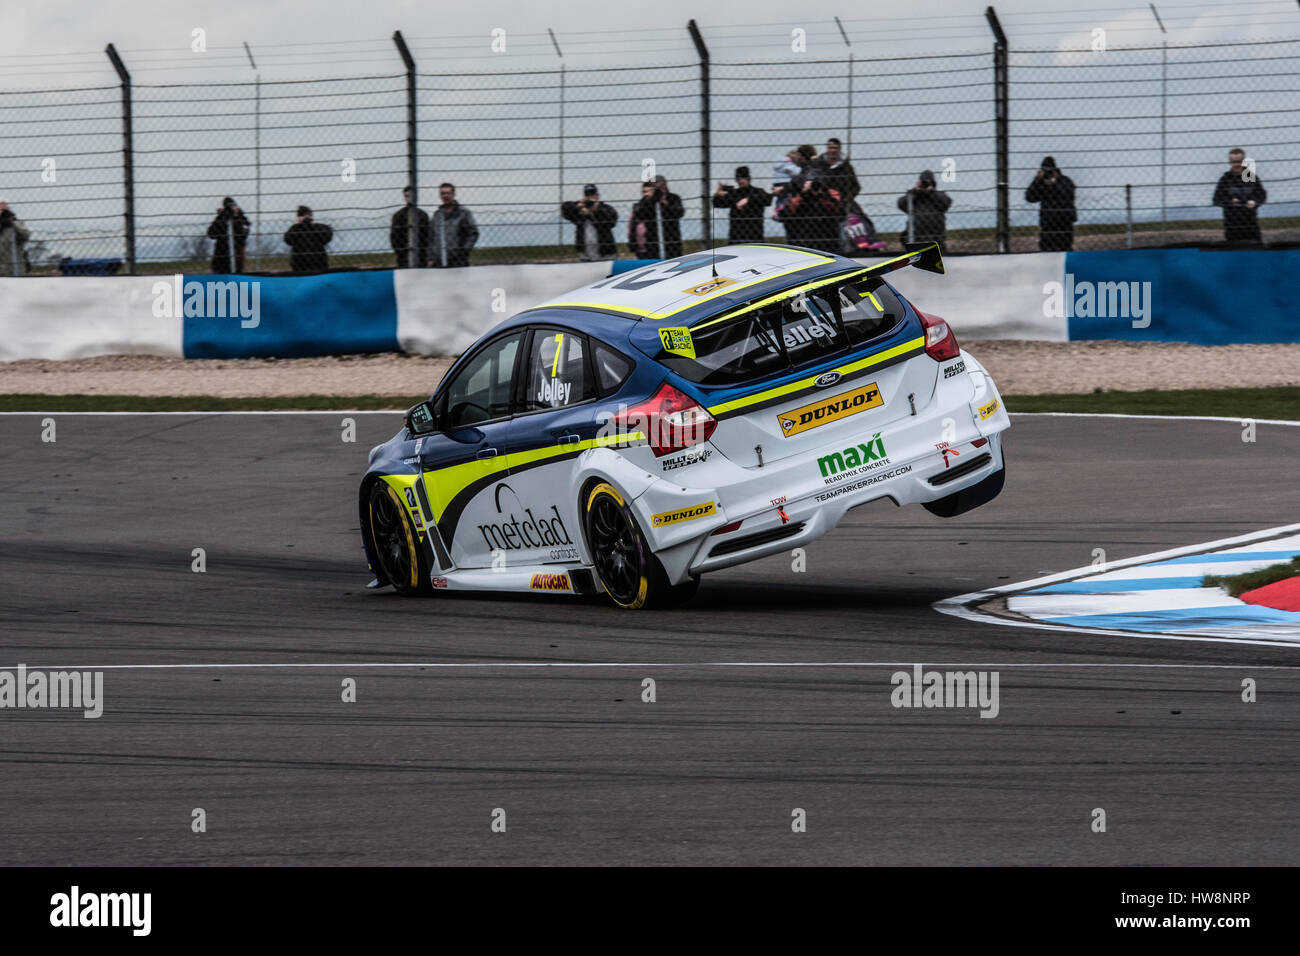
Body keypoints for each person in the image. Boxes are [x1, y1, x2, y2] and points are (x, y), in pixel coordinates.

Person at [1212, 148, 1267, 244]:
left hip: (1251, 225)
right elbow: (1216, 199)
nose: (1236, 164)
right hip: (1232, 226)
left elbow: (1262, 195)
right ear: (1229, 162)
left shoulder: (1251, 177)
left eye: (1239, 161)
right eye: (1233, 162)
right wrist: (1230, 201)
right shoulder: (1225, 179)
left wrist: (1254, 202)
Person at [815, 137, 861, 252]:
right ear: (827, 149)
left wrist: (846, 199)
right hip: (822, 206)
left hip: (842, 205)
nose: (833, 150)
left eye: (835, 148)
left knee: (844, 234)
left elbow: (855, 186)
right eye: (830, 147)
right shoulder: (818, 165)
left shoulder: (846, 167)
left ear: (839, 149)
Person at [1024, 156, 1076, 252]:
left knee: (1065, 249)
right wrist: (1036, 181)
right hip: (1047, 225)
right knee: (1046, 251)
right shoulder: (1041, 183)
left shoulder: (1064, 181)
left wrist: (1054, 184)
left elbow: (1067, 195)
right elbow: (1030, 197)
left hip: (1064, 223)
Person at [897, 170, 952, 252]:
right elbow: (901, 204)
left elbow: (946, 204)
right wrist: (915, 191)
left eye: (928, 183)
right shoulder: (913, 195)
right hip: (916, 237)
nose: (925, 185)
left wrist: (932, 192)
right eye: (924, 182)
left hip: (936, 237)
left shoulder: (939, 195)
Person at [711, 167, 770, 242]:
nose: (741, 181)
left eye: (743, 178)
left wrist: (748, 200)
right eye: (738, 179)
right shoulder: (734, 193)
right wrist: (717, 195)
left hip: (755, 234)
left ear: (748, 178)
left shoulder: (758, 192)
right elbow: (717, 204)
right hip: (736, 235)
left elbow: (768, 200)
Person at [631, 175, 684, 258]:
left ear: (665, 185)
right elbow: (639, 214)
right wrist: (650, 200)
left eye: (661, 186)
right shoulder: (646, 200)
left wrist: (666, 203)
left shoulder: (673, 198)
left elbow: (679, 213)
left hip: (671, 238)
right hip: (652, 240)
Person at [561, 184, 618, 261]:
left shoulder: (606, 208)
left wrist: (596, 209)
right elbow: (565, 210)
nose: (590, 197)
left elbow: (611, 221)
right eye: (587, 195)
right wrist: (578, 205)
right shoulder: (580, 211)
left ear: (597, 195)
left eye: (592, 194)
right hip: (586, 254)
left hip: (605, 254)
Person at [430, 182, 478, 268]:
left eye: (448, 193)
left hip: (458, 261)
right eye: (443, 193)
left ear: (453, 194)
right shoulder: (437, 215)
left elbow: (473, 233)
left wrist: (463, 251)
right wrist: (431, 257)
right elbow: (431, 236)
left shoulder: (463, 213)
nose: (446, 196)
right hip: (439, 261)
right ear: (440, 196)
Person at [282, 206, 333, 273]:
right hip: (299, 263)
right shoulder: (295, 228)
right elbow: (288, 240)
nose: (306, 218)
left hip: (318, 262)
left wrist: (313, 226)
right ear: (298, 218)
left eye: (309, 215)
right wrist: (300, 226)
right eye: (303, 216)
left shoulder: (319, 227)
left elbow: (327, 236)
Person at [206, 197, 250, 273]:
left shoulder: (241, 218)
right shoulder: (222, 218)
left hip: (236, 253)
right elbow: (211, 234)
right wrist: (222, 217)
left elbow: (243, 235)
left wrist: (236, 217)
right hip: (221, 253)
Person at [390, 186, 430, 269]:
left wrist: (424, 252)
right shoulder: (398, 216)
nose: (409, 198)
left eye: (411, 195)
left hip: (421, 257)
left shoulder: (423, 215)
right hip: (403, 258)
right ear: (404, 198)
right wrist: (400, 252)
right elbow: (394, 237)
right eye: (407, 196)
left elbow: (428, 236)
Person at [0, 198, 31, 276]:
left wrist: (12, 221)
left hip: (16, 268)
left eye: (4, 209)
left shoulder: (16, 224)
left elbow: (26, 235)